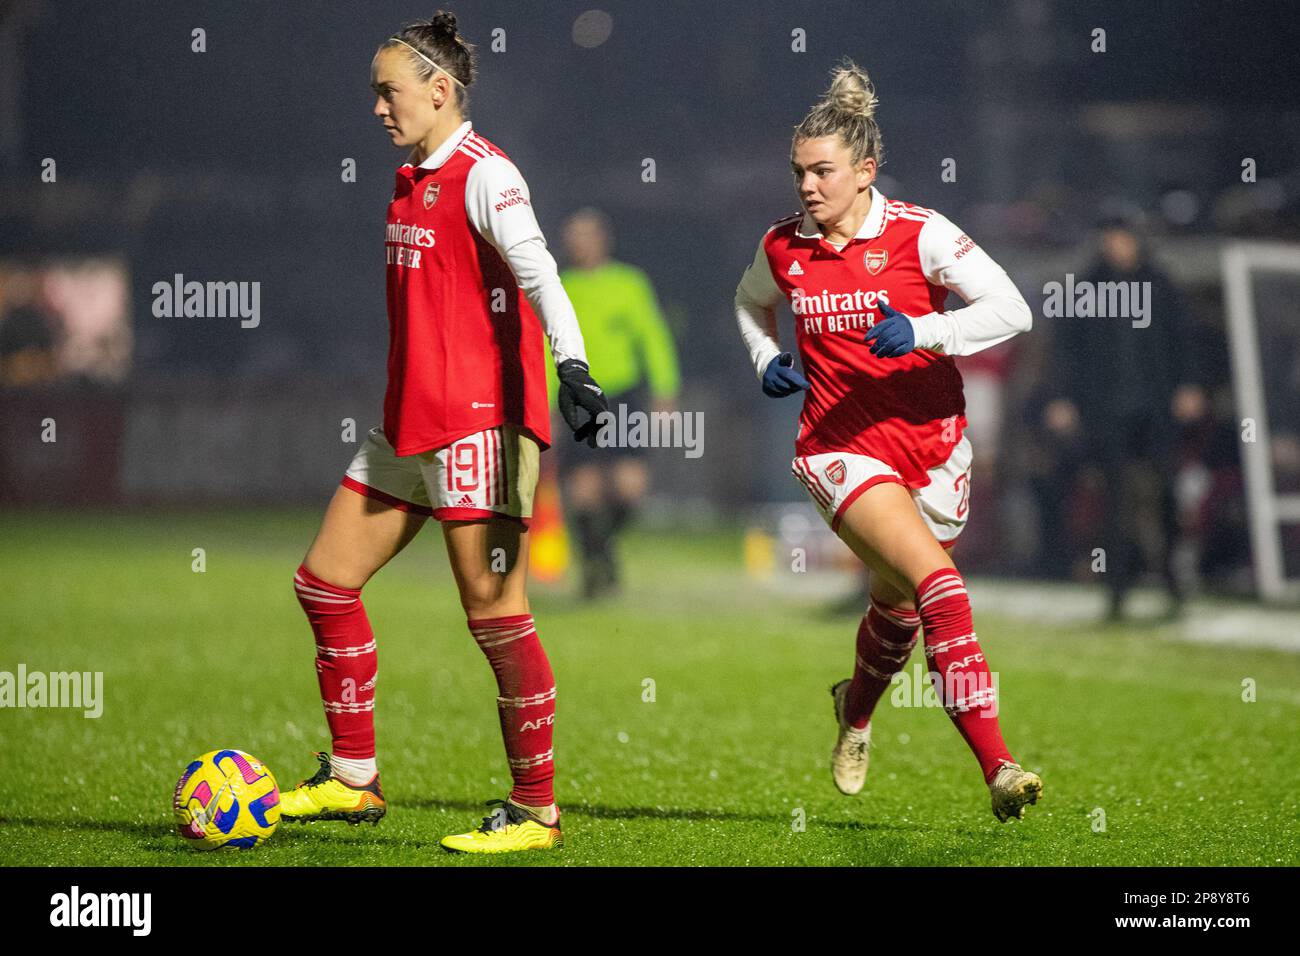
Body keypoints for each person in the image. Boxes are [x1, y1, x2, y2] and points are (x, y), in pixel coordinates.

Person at [279, 11, 608, 855]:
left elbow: (543, 275)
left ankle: (536, 809)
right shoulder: (406, 178)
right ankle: (353, 780)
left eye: (388, 92)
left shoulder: (486, 176)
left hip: (481, 428)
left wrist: (574, 368)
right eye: (374, 94)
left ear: (440, 90)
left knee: (495, 615)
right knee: (324, 583)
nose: (378, 108)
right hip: (407, 428)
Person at [733, 62, 1042, 822]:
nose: (807, 187)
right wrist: (766, 357)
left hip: (935, 451)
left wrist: (929, 331)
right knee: (940, 586)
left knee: (899, 610)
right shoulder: (783, 247)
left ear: (866, 172)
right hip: (839, 448)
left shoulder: (920, 233)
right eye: (799, 171)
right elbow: (748, 302)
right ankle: (999, 766)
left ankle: (856, 710)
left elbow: (1013, 310)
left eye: (823, 172)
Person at [1043, 214, 1206, 619]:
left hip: (1156, 408)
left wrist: (1188, 384)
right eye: (1109, 237)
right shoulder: (1086, 286)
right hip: (1107, 411)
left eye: (1122, 237)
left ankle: (1173, 581)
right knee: (1114, 500)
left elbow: (1184, 339)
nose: (1115, 245)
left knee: (1166, 493)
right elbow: (1066, 350)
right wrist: (1062, 397)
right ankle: (1117, 591)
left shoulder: (1161, 284)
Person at [555, 208, 681, 598]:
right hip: (576, 396)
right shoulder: (558, 286)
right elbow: (547, 348)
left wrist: (664, 392)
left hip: (622, 395)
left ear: (603, 239)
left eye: (588, 235)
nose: (581, 243)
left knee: (630, 488)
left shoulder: (629, 283)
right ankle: (595, 571)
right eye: (574, 236)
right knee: (584, 491)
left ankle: (602, 550)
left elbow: (653, 338)